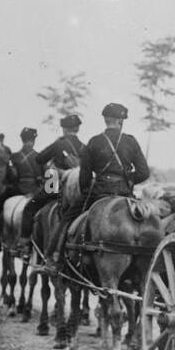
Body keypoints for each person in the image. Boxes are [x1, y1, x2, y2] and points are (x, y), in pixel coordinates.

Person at [49, 102, 149, 268]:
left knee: (67, 218)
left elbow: (84, 178)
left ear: (105, 120)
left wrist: (88, 189)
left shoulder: (95, 142)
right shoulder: (131, 141)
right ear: (121, 121)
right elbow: (144, 172)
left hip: (100, 192)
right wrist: (127, 180)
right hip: (124, 192)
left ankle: (54, 258)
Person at [21, 114, 84, 252]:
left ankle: (25, 243)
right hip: (77, 189)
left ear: (64, 129)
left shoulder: (59, 143)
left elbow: (39, 159)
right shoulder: (84, 147)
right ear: (77, 128)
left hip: (55, 183)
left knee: (30, 207)